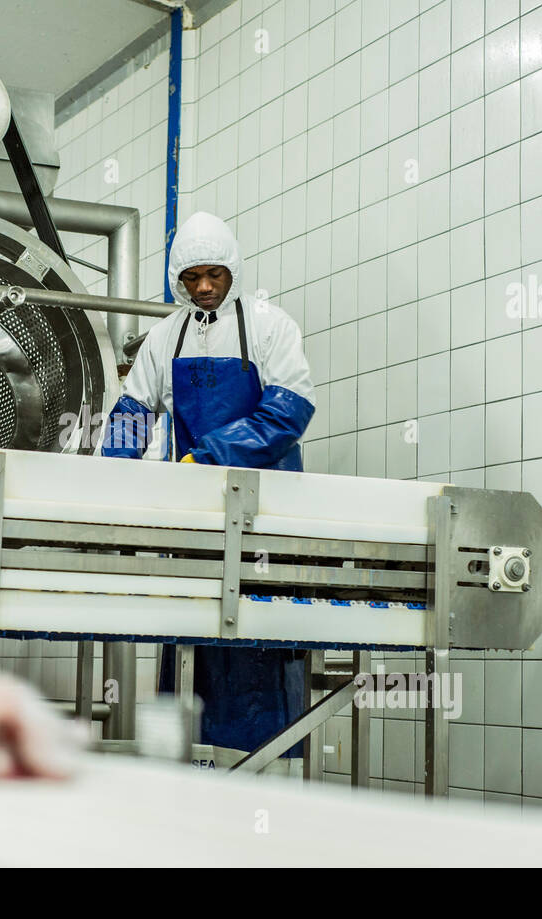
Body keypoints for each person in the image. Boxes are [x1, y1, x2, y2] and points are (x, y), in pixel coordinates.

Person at [100, 210, 316, 765]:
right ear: (178, 279)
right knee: (195, 652)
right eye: (192, 277)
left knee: (259, 649)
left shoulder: (271, 327)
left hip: (267, 524)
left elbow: (289, 413)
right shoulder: (163, 339)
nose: (203, 287)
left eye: (214, 276)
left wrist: (211, 456)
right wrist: (105, 477)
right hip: (195, 529)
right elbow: (132, 413)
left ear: (233, 273)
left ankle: (271, 786)